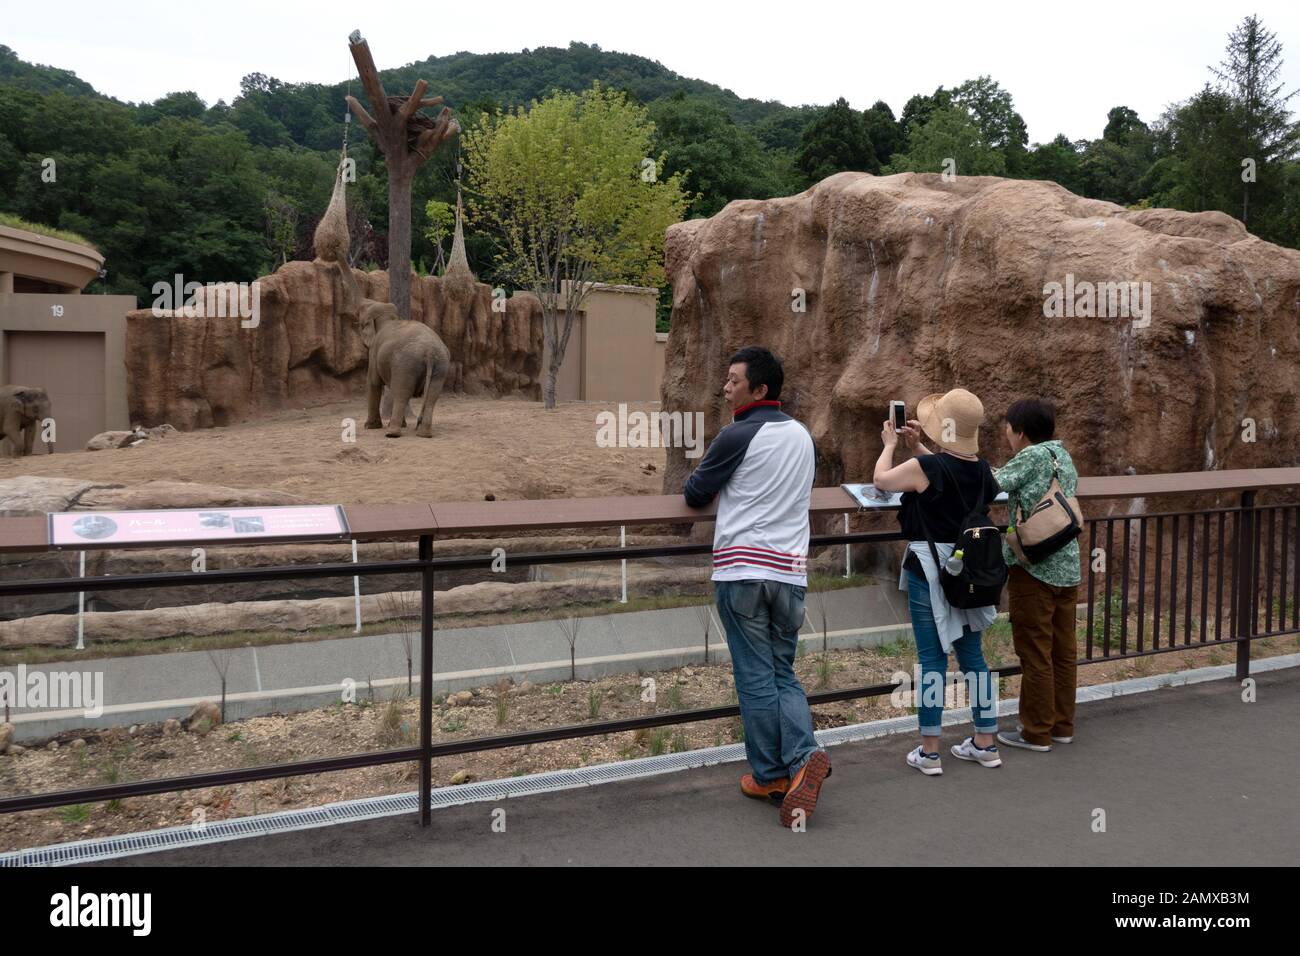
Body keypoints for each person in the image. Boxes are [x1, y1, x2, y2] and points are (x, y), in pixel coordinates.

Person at [683, 345, 831, 828]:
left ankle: (777, 770)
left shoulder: (736, 434)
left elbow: (694, 492)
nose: (725, 387)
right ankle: (795, 764)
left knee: (754, 677)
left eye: (733, 380)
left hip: (743, 571)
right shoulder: (803, 436)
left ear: (759, 390)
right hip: (789, 574)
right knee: (781, 672)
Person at [873, 388, 1002, 775]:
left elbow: (881, 481)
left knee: (932, 659)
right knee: (973, 657)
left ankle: (930, 751)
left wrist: (890, 444)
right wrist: (919, 449)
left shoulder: (926, 469)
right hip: (971, 570)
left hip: (929, 569)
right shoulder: (981, 470)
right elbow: (952, 481)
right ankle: (986, 742)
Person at [992, 399, 1081, 752]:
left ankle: (1036, 731)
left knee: (1035, 652)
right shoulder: (1063, 455)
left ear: (1021, 431)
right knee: (1063, 651)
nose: (1007, 434)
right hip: (1068, 566)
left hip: (1035, 567)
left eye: (1009, 428)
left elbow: (992, 483)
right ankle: (1062, 725)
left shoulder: (1030, 456)